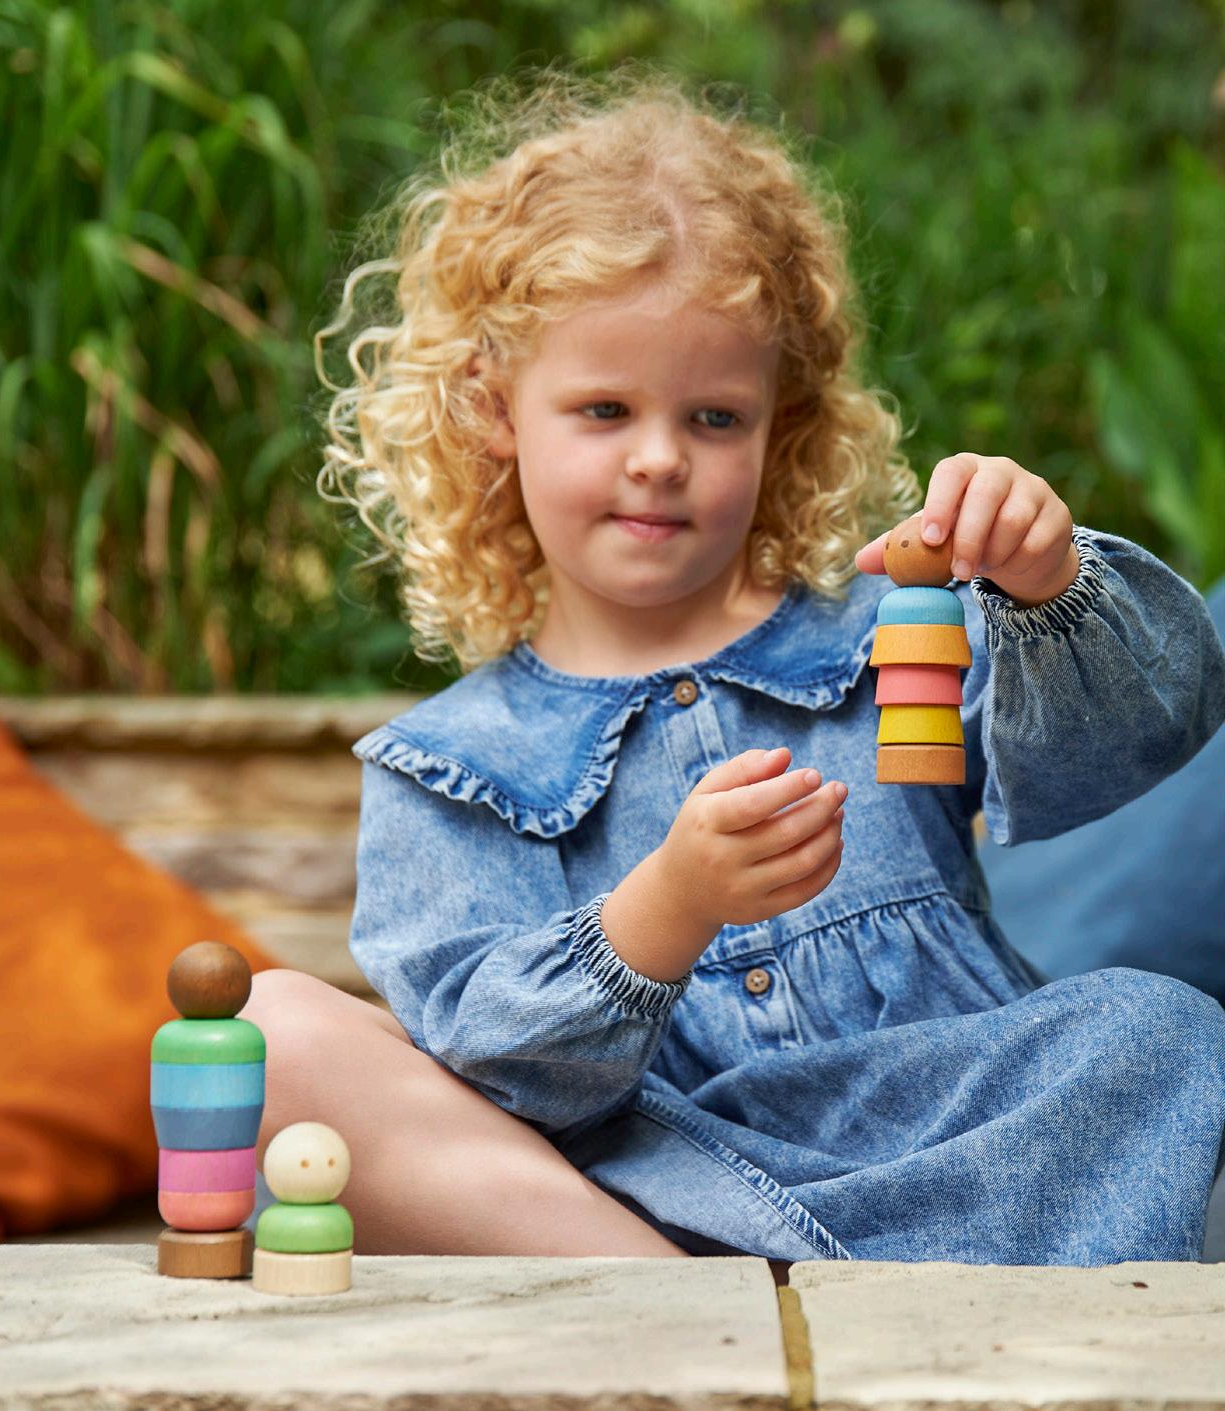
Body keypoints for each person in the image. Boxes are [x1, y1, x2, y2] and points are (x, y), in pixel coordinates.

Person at [241, 66, 1225, 1266]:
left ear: (780, 426)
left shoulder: (889, 636)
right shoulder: (449, 767)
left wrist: (1048, 581)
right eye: (603, 409)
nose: (659, 458)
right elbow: (495, 1070)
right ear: (493, 411)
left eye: (712, 418)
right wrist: (663, 912)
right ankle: (690, 1308)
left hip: (950, 1139)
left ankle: (805, 1310)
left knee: (1156, 1026)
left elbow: (1137, 735)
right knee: (269, 1033)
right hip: (659, 1188)